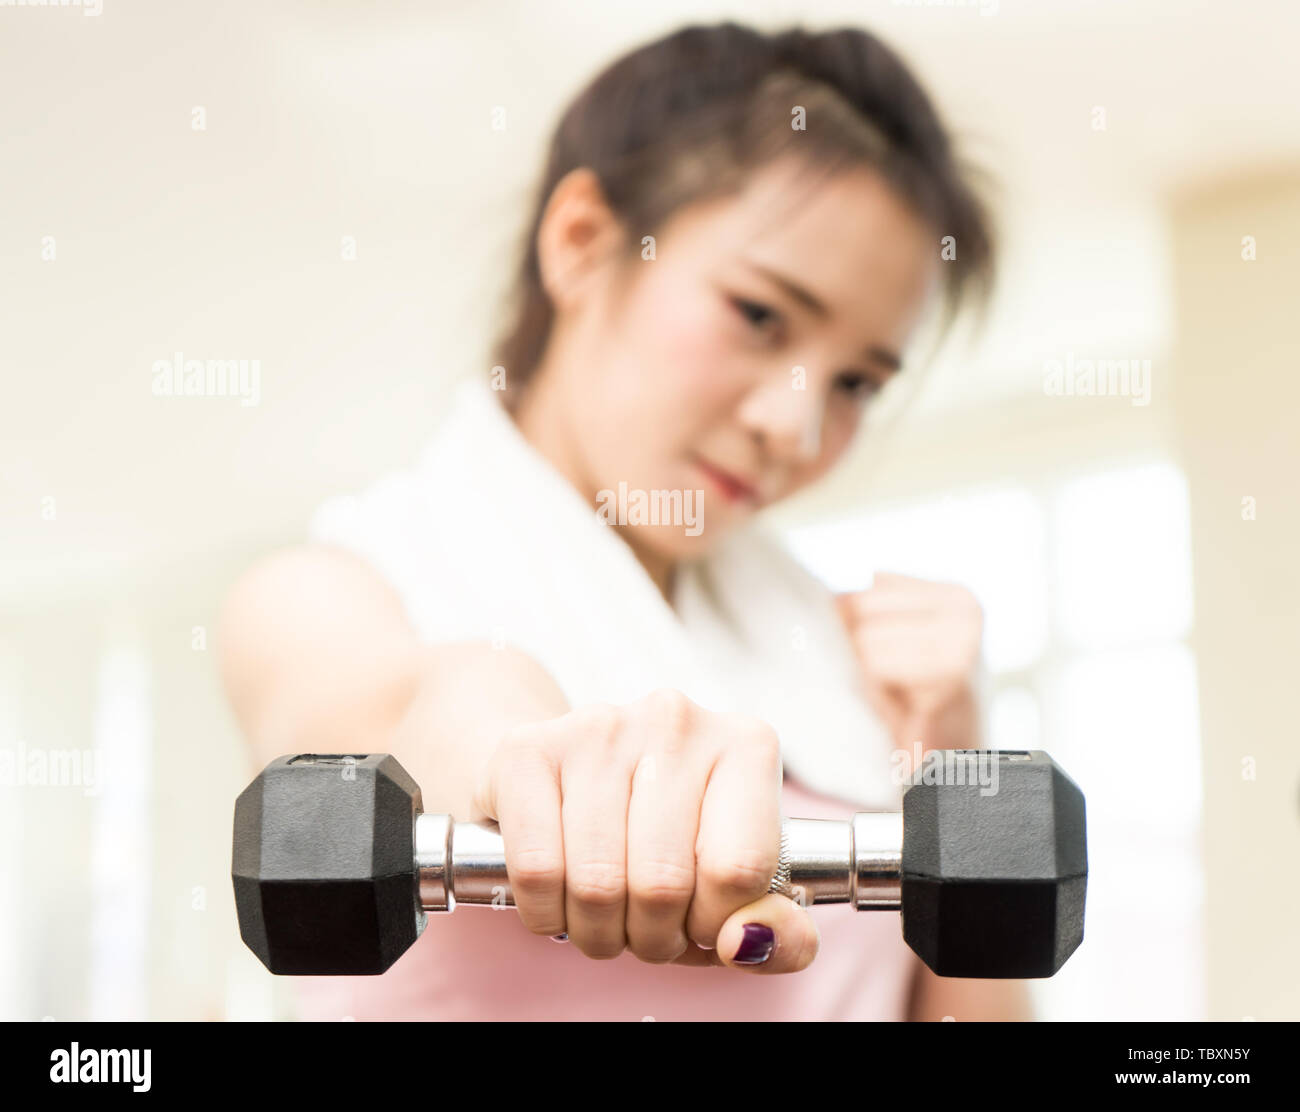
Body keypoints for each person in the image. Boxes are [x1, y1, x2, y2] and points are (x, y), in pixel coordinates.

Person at [219, 21, 1029, 1020]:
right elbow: (384, 710)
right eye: (760, 315)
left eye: (856, 380)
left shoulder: (860, 676)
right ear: (582, 243)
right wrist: (492, 714)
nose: (794, 424)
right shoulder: (335, 590)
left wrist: (957, 784)